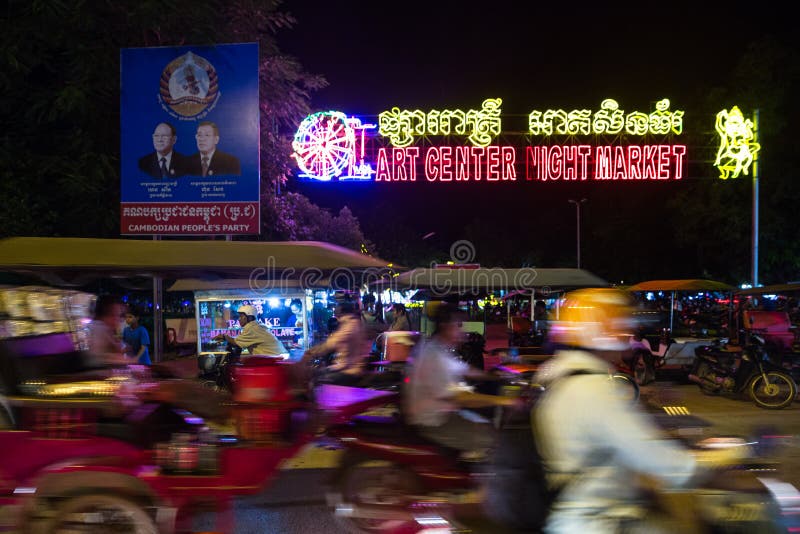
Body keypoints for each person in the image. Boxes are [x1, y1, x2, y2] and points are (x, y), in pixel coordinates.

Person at [532, 288, 746, 533]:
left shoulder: (558, 377)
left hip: (580, 516)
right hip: (599, 523)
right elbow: (659, 460)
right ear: (599, 330)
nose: (628, 334)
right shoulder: (593, 389)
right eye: (618, 324)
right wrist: (715, 462)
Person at [403, 301, 517, 456]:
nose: (462, 332)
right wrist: (506, 401)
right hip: (434, 421)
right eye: (458, 326)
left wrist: (494, 375)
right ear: (445, 326)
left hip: (443, 413)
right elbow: (460, 397)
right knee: (493, 439)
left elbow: (465, 369)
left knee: (485, 422)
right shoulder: (434, 356)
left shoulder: (438, 348)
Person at [301, 301, 367, 386]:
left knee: (317, 381)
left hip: (349, 371)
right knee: (319, 372)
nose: (334, 309)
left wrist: (311, 352)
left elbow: (331, 343)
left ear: (342, 310)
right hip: (345, 367)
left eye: (337, 307)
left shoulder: (349, 325)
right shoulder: (354, 322)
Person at [213, 304, 287, 357]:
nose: (239, 319)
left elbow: (236, 342)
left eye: (241, 316)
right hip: (276, 358)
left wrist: (224, 336)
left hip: (275, 360)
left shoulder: (251, 328)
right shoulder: (255, 326)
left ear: (248, 317)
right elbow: (239, 340)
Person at [85, 295, 129, 369]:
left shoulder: (104, 329)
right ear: (103, 315)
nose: (118, 320)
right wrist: (118, 359)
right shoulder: (98, 327)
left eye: (119, 316)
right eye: (114, 315)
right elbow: (94, 358)